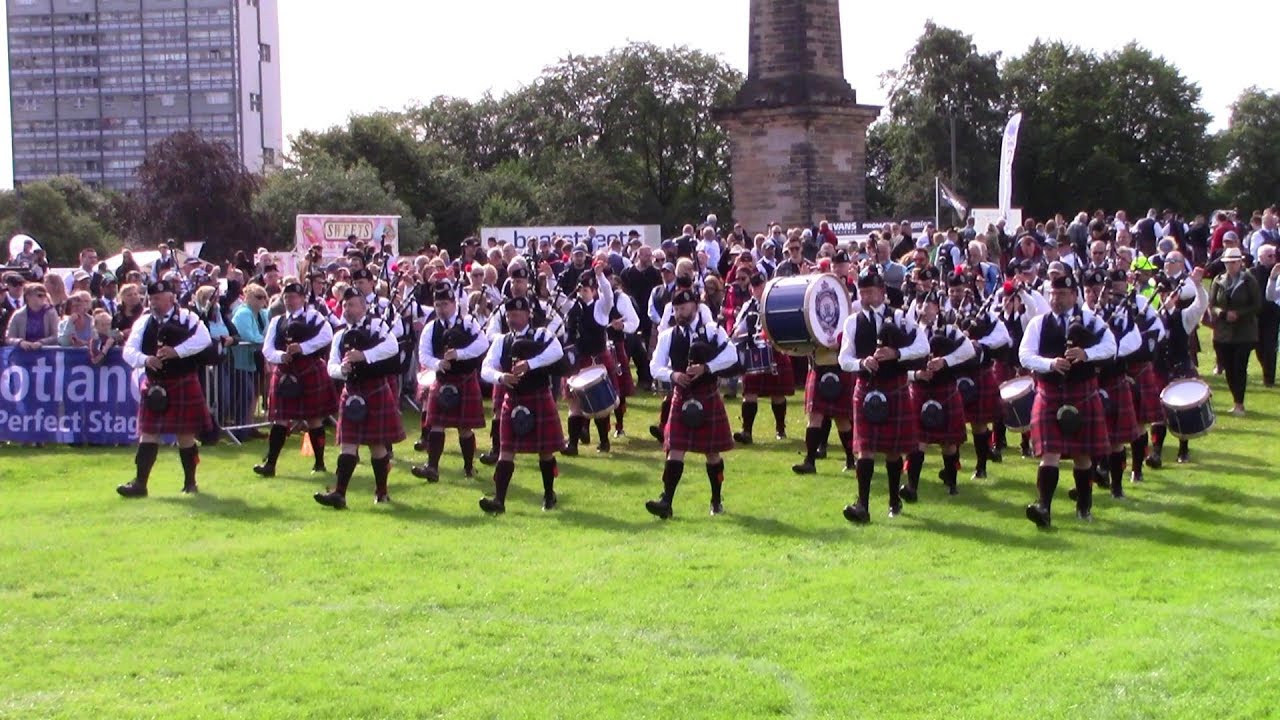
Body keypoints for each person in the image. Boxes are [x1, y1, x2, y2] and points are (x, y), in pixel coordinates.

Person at [1018, 274, 1118, 528]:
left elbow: (1111, 347)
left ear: (1074, 295)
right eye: (1052, 294)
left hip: (1082, 393)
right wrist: (1049, 363)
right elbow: (1025, 354)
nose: (1055, 299)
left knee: (1082, 455)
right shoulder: (1038, 323)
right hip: (1050, 393)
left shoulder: (1091, 320)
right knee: (1048, 453)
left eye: (1061, 294)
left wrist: (1087, 354)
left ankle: (1084, 506)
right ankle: (1044, 507)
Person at [837, 268, 929, 522]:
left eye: (870, 291)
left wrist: (897, 354)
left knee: (893, 451)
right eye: (862, 292)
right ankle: (862, 505)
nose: (866, 297)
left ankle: (893, 500)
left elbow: (923, 346)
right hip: (866, 388)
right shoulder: (852, 321)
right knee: (864, 450)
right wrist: (862, 363)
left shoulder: (900, 317)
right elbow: (844, 359)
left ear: (882, 292)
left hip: (894, 386)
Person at [644, 288, 737, 519]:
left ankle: (716, 500)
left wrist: (707, 368)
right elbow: (655, 366)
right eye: (675, 309)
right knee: (674, 449)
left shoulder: (713, 331)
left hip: (707, 395)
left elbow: (732, 355)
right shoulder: (668, 336)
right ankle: (666, 501)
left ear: (695, 306)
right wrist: (673, 376)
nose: (679, 312)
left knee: (712, 453)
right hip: (682, 395)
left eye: (683, 308)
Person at [116, 280, 214, 498]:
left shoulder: (188, 318)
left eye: (158, 298)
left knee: (185, 434)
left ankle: (190, 483)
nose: (153, 303)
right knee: (148, 433)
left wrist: (177, 351)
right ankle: (140, 484)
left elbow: (204, 339)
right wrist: (146, 359)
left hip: (182, 381)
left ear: (171, 298)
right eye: (151, 298)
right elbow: (128, 351)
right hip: (155, 385)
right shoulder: (143, 322)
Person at [477, 296, 567, 514]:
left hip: (538, 396)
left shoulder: (542, 335)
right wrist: (501, 378)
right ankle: (499, 500)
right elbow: (485, 368)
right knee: (505, 451)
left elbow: (557, 352)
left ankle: (548, 495)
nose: (512, 319)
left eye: (516, 315)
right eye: (508, 315)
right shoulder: (502, 341)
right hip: (513, 399)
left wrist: (530, 364)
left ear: (528, 315)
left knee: (545, 452)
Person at [253, 282, 340, 477]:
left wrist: (303, 347)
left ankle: (319, 464)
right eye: (286, 298)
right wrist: (280, 356)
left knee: (314, 418)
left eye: (293, 297)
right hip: (284, 371)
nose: (289, 301)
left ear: (302, 299)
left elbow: (327, 336)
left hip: (309, 370)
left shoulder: (314, 317)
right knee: (280, 419)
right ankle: (271, 464)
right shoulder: (277, 321)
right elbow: (267, 348)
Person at [411, 282, 490, 482]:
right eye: (438, 305)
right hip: (442, 379)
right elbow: (423, 355)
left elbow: (482, 344)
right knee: (436, 423)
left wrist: (460, 354)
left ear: (454, 304)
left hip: (464, 379)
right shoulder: (431, 328)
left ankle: (469, 467)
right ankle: (432, 467)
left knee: (465, 427)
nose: (441, 309)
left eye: (445, 304)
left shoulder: (468, 323)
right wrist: (438, 364)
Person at [904, 291, 976, 499]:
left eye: (931, 304)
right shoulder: (912, 332)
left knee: (949, 442)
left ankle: (952, 484)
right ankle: (912, 487)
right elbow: (898, 364)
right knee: (917, 440)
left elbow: (969, 350)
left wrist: (945, 361)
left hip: (945, 389)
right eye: (921, 304)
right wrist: (916, 374)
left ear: (938, 308)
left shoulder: (950, 331)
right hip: (920, 389)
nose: (925, 308)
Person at [1148, 269, 1209, 466]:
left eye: (1168, 294)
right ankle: (1156, 453)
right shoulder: (1153, 316)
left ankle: (1184, 450)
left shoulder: (1184, 317)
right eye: (1162, 294)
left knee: (1182, 409)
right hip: (1159, 370)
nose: (1165, 298)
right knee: (1158, 413)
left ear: (1176, 295)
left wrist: (1198, 285)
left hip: (1180, 368)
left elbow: (1201, 305)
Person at [731, 273, 793, 444]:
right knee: (749, 393)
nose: (758, 289)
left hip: (775, 351)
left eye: (761, 285)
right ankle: (746, 432)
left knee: (777, 393)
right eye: (755, 286)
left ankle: (780, 429)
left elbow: (786, 326)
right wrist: (745, 334)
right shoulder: (748, 306)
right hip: (754, 353)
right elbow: (737, 330)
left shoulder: (778, 303)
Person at [562, 263, 616, 455]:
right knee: (575, 404)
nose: (583, 293)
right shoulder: (573, 309)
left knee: (600, 404)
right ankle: (573, 445)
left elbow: (608, 295)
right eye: (581, 290)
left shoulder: (601, 308)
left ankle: (604, 441)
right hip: (578, 362)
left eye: (586, 290)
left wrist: (600, 277)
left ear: (594, 291)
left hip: (596, 361)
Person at [1209, 247, 1261, 417]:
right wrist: (1223, 314)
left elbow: (1257, 304)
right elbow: (1212, 304)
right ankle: (1235, 399)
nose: (1230, 266)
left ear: (1240, 262)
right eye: (1227, 263)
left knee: (1240, 366)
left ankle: (1240, 403)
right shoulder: (1218, 280)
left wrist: (1239, 314)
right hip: (1223, 333)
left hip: (1244, 332)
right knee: (1229, 368)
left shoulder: (1249, 280)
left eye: (1233, 262)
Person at [1251, 245, 1279, 386]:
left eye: (1274, 255)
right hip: (1256, 316)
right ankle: (1265, 371)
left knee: (1270, 346)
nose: (1273, 259)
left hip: (1273, 314)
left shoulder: (1277, 272)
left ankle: (1269, 379)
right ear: (1261, 257)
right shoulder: (1252, 273)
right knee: (1259, 346)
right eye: (1270, 256)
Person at [4, 282, 59, 348]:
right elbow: (9, 338)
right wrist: (20, 342)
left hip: (46, 353)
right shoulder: (18, 315)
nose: (43, 298)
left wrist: (41, 342)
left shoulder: (51, 313)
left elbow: (56, 335)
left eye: (45, 295)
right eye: (39, 295)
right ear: (28, 297)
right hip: (23, 354)